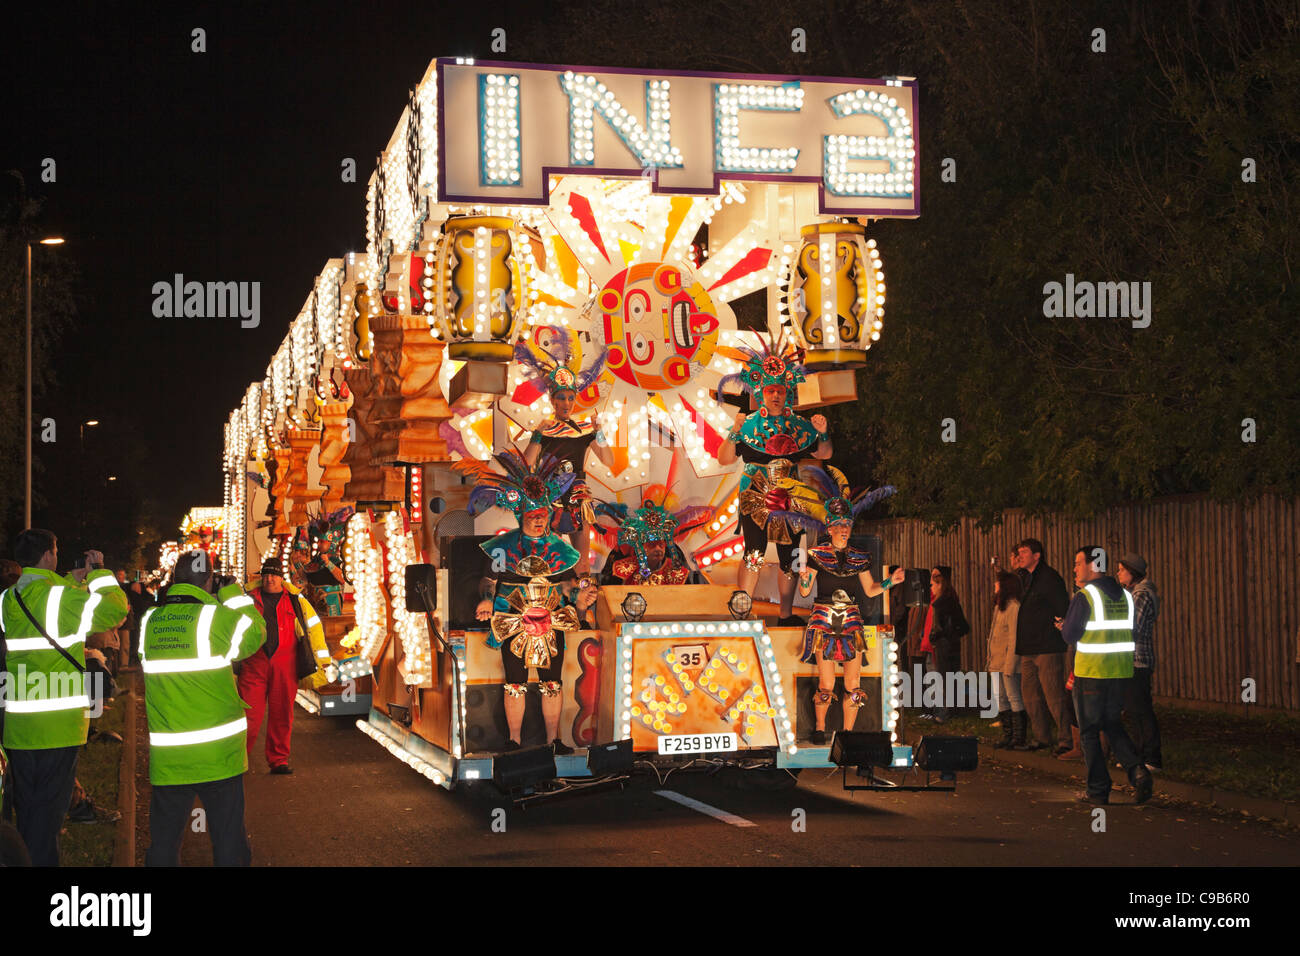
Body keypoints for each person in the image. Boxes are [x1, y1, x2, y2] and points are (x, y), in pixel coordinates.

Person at [0, 529, 127, 866]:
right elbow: (114, 610)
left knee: (26, 809)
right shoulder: (60, 598)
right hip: (57, 726)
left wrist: (73, 579)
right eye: (55, 550)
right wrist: (100, 572)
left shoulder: (8, 599)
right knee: (48, 816)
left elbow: (43, 595)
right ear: (48, 555)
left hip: (18, 726)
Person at [141, 550, 266, 865]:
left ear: (176, 579)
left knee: (164, 846)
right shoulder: (216, 619)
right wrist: (232, 595)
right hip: (217, 756)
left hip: (170, 757)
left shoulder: (149, 622)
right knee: (228, 842)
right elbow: (257, 633)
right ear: (209, 580)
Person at [470, 451, 598, 753]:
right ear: (521, 516)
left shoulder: (559, 547)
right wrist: (486, 601)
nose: (540, 521)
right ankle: (514, 742)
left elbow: (567, 583)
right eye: (533, 516)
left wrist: (579, 595)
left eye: (543, 515)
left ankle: (554, 741)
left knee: (552, 682)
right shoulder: (503, 548)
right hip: (513, 621)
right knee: (514, 682)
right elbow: (488, 581)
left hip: (550, 624)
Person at [716, 338, 831, 626]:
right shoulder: (749, 423)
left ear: (787, 392)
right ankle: (742, 609)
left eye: (780, 390)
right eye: (770, 390)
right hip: (755, 492)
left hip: (789, 495)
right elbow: (725, 459)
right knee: (753, 551)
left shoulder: (799, 425)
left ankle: (785, 614)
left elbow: (825, 453)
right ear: (762, 392)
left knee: (789, 557)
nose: (776, 395)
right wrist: (734, 431)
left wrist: (823, 432)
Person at [786, 466, 902, 744]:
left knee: (853, 685)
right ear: (829, 528)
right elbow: (805, 589)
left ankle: (848, 736)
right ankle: (819, 729)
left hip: (851, 622)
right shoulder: (816, 555)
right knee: (826, 683)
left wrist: (890, 583)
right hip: (824, 621)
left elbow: (871, 590)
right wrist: (802, 578)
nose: (844, 530)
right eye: (839, 526)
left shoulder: (859, 558)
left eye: (848, 525)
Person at [1059, 546, 1152, 805]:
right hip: (1120, 672)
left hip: (1091, 672)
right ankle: (1138, 772)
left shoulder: (1085, 596)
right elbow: (1131, 631)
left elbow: (1070, 635)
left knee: (1089, 731)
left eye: (1078, 563)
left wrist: (1064, 626)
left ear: (1092, 566)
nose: (1075, 568)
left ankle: (1098, 790)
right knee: (1111, 725)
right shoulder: (1125, 595)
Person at [516, 328, 612, 572]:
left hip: (578, 501)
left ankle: (582, 609)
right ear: (552, 400)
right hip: (549, 501)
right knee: (549, 566)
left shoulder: (583, 430)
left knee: (582, 568)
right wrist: (537, 435)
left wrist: (599, 430)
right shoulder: (545, 430)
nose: (567, 403)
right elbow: (526, 465)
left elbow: (609, 460)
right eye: (561, 398)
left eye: (570, 398)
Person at [236, 557, 324, 774]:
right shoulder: (246, 599)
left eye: (274, 574)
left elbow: (313, 629)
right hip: (253, 665)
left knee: (282, 714)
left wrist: (321, 662)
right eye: (266, 574)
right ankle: (237, 762)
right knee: (248, 717)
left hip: (286, 665)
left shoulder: (296, 600)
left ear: (281, 577)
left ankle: (279, 760)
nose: (269, 579)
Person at [1013, 538, 1076, 754]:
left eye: (1023, 552)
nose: (1019, 556)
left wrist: (1058, 631)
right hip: (1028, 647)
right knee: (1030, 694)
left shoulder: (1049, 578)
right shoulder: (1026, 579)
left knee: (1053, 695)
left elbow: (1061, 608)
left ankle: (1066, 739)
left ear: (1037, 555)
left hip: (1047, 646)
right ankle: (1041, 737)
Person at [598, 497, 712, 586]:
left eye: (661, 545)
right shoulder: (622, 569)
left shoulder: (678, 572)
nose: (658, 548)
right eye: (652, 545)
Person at [1117, 552, 1162, 771]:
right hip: (1129, 659)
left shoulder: (1141, 595)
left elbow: (1133, 626)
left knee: (1140, 708)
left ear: (1132, 572)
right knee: (1132, 710)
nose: (1118, 573)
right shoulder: (1131, 594)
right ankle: (1137, 755)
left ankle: (1151, 757)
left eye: (1121, 569)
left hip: (1137, 660)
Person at [916, 566, 969, 722]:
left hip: (941, 647)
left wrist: (941, 634)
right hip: (932, 645)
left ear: (941, 582)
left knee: (940, 680)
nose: (931, 581)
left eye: (935, 577)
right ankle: (937, 711)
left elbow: (961, 626)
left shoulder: (947, 601)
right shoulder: (935, 601)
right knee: (933, 679)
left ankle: (943, 713)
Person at [988, 570, 1027, 749]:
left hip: (1007, 662)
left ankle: (1019, 737)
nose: (995, 586)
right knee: (1000, 698)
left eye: (998, 583)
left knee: (1013, 697)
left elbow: (1014, 638)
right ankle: (1008, 734)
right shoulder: (999, 607)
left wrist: (1010, 665)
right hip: (996, 661)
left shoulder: (1014, 608)